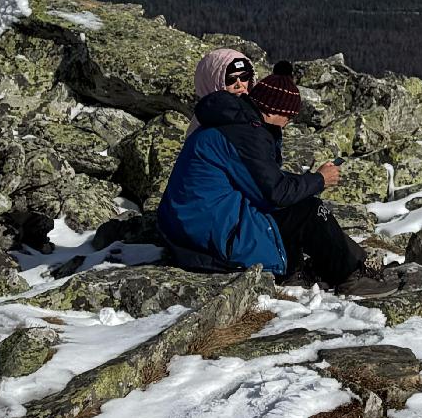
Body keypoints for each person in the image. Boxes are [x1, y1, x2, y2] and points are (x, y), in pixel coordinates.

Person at [157, 50, 373, 290]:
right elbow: (275, 193)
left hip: (194, 230)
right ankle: (351, 277)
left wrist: (308, 181)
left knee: (294, 202)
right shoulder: (243, 131)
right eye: (288, 116)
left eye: (245, 76)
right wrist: (319, 180)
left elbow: (259, 179)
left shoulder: (224, 119)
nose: (288, 122)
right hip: (215, 237)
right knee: (309, 210)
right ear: (272, 111)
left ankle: (342, 265)